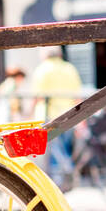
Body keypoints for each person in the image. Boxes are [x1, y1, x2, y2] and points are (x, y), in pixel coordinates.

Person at [30, 48, 83, 177]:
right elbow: (77, 97)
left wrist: (30, 115)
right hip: (69, 115)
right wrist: (82, 120)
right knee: (64, 150)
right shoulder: (70, 69)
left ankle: (60, 181)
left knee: (53, 153)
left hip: (48, 116)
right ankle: (67, 177)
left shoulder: (42, 69)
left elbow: (37, 97)